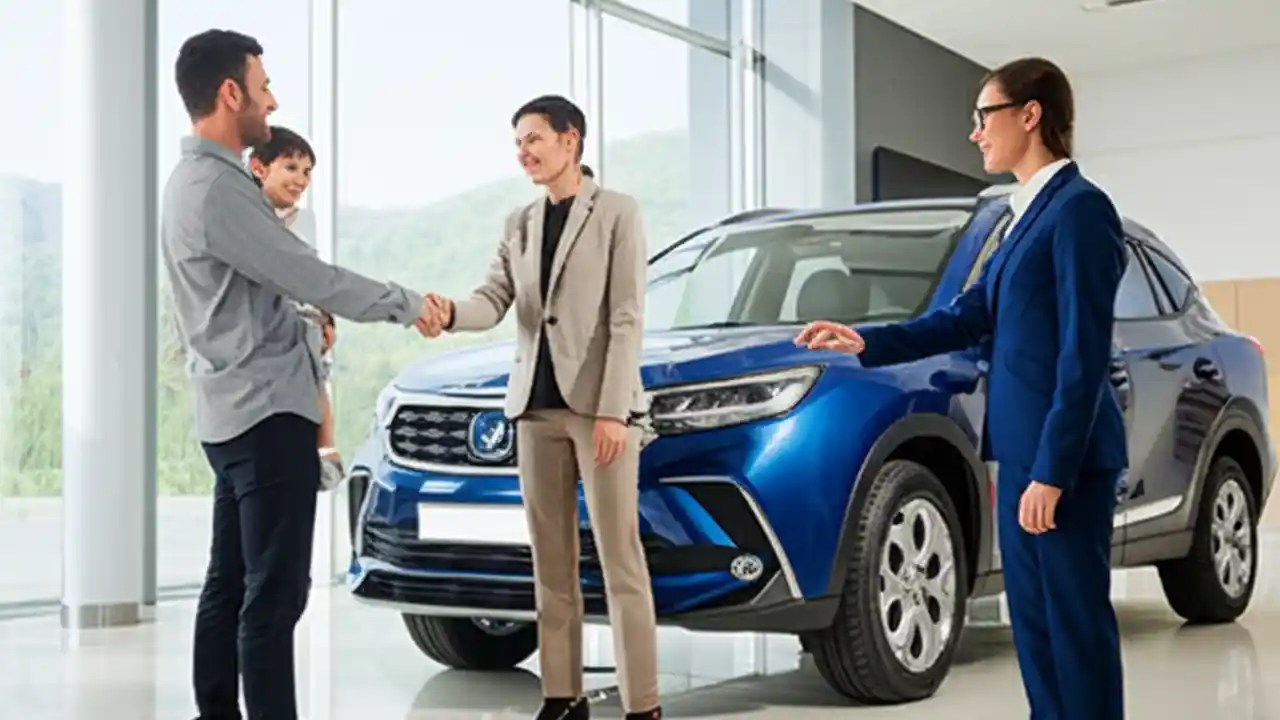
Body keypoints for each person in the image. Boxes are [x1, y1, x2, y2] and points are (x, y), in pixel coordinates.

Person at [795, 57, 1126, 720]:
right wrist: (867, 340)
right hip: (1025, 454)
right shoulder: (1019, 216)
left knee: (1074, 629)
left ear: (1030, 116)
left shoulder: (1081, 211)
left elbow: (1082, 356)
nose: (974, 132)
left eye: (984, 115)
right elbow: (967, 316)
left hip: (1062, 463)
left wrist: (1053, 473)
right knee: (1036, 629)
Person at [163, 29, 438, 720]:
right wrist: (409, 306)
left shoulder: (191, 183)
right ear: (231, 93)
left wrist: (300, 322)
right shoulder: (220, 190)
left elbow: (254, 294)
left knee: (229, 584)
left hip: (228, 413)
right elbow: (309, 274)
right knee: (274, 597)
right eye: (263, 86)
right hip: (265, 415)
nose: (272, 98)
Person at [422, 95, 661, 720]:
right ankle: (562, 697)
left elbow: (628, 316)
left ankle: (644, 706)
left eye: (533, 139)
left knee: (620, 561)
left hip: (600, 412)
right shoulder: (519, 222)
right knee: (550, 562)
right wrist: (448, 314)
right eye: (517, 143)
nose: (523, 152)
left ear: (570, 141)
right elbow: (492, 298)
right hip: (535, 411)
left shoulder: (617, 213)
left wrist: (613, 410)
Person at [247, 125, 343, 490]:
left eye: (307, 172)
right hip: (267, 331)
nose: (301, 180)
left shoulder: (304, 221)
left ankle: (323, 449)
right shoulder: (248, 219)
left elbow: (313, 273)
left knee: (315, 363)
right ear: (260, 168)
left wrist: (326, 315)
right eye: (290, 168)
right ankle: (323, 451)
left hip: (302, 319)